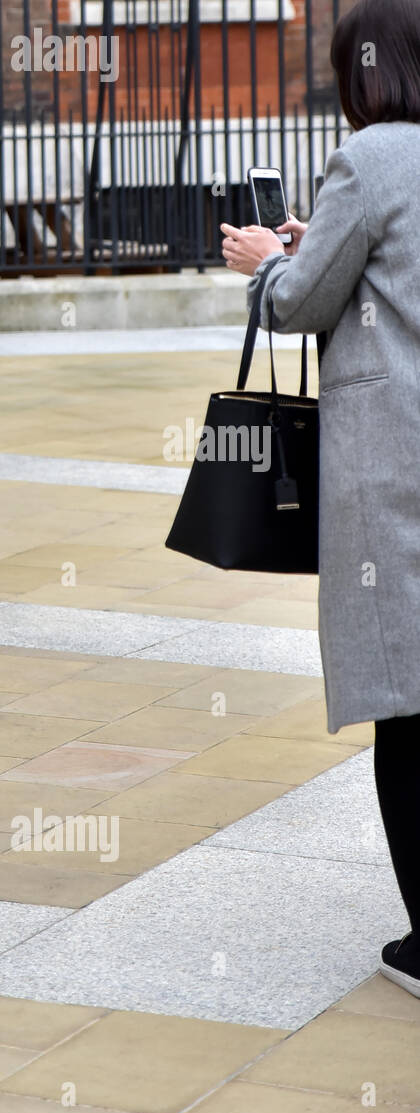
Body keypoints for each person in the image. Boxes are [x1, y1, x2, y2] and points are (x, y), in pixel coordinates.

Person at [219, 0, 420, 998]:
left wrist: (269, 262)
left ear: (365, 70)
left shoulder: (371, 154)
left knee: (405, 698)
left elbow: (302, 301)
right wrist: (317, 245)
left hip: (397, 466)